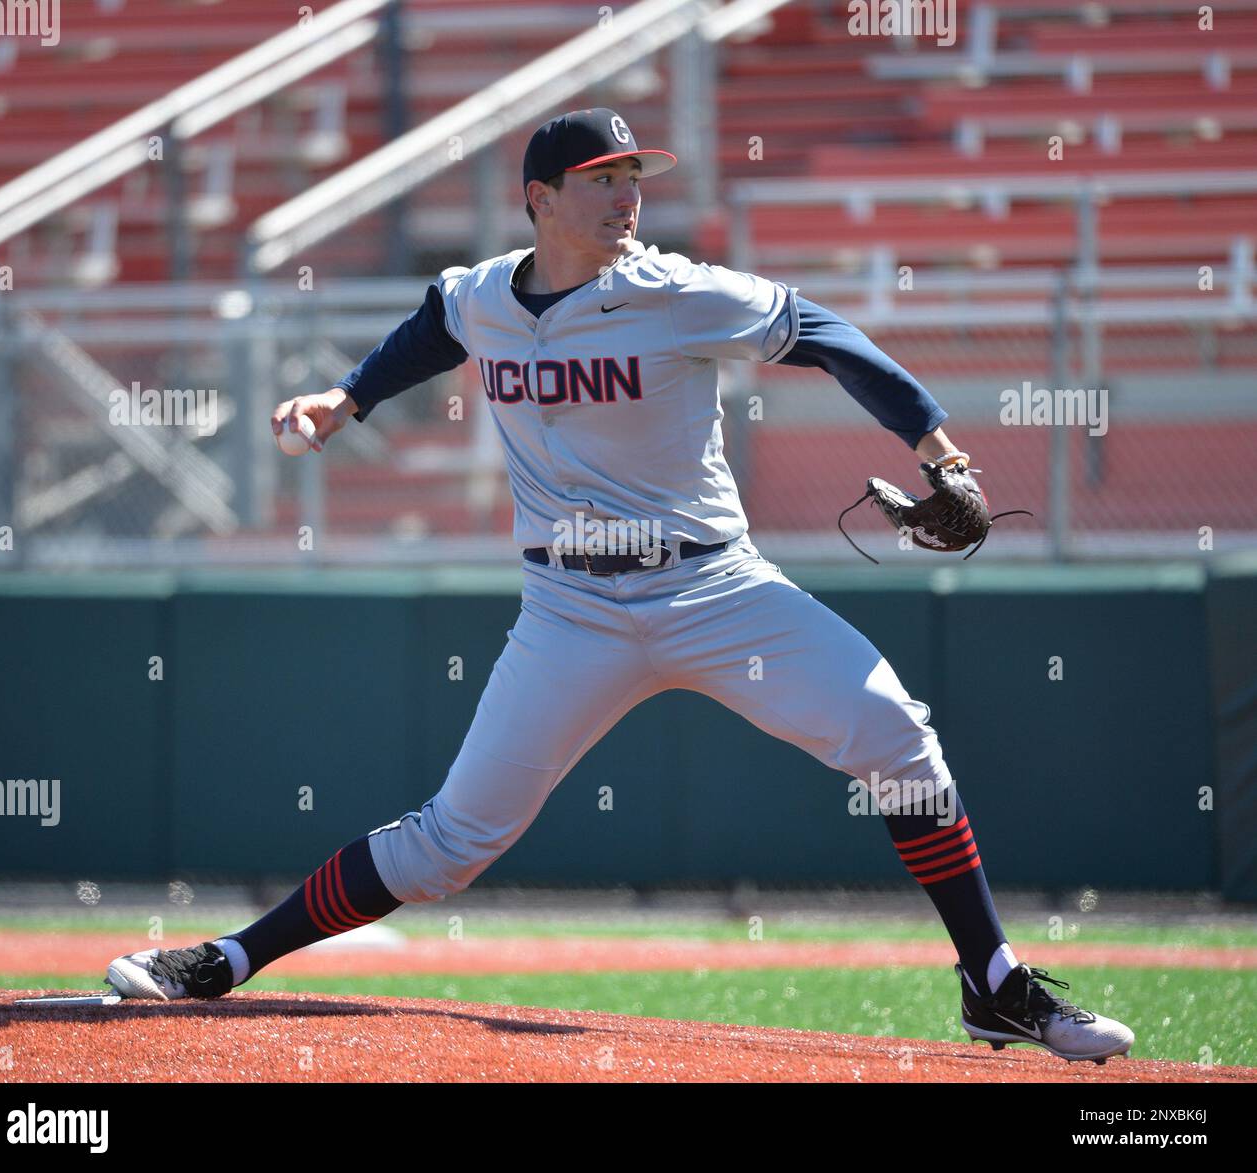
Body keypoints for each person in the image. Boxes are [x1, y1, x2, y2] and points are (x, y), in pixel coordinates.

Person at [106, 108, 1134, 1064]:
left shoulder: (675, 291)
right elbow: (438, 320)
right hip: (571, 611)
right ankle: (228, 959)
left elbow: (823, 335)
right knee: (449, 847)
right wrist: (348, 398)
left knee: (896, 739)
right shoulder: (486, 295)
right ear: (539, 197)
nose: (625, 193)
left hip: (714, 591)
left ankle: (993, 982)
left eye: (633, 175)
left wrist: (941, 456)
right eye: (600, 177)